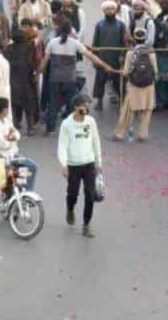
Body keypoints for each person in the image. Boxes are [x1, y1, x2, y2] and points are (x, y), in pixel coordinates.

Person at [0, 97, 39, 228]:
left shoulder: (7, 121)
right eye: (7, 108)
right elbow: (3, 145)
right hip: (0, 159)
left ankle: (24, 198)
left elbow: (17, 135)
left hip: (15, 156)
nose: (9, 110)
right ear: (3, 110)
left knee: (31, 167)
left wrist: (11, 137)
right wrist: (10, 138)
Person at [57, 93, 101, 238]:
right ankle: (70, 209)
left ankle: (86, 225)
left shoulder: (91, 122)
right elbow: (62, 146)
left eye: (87, 105)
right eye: (83, 105)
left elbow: (96, 141)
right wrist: (64, 164)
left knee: (90, 195)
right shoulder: (66, 124)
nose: (86, 107)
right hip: (73, 165)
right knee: (72, 194)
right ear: (76, 107)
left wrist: (98, 161)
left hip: (89, 164)